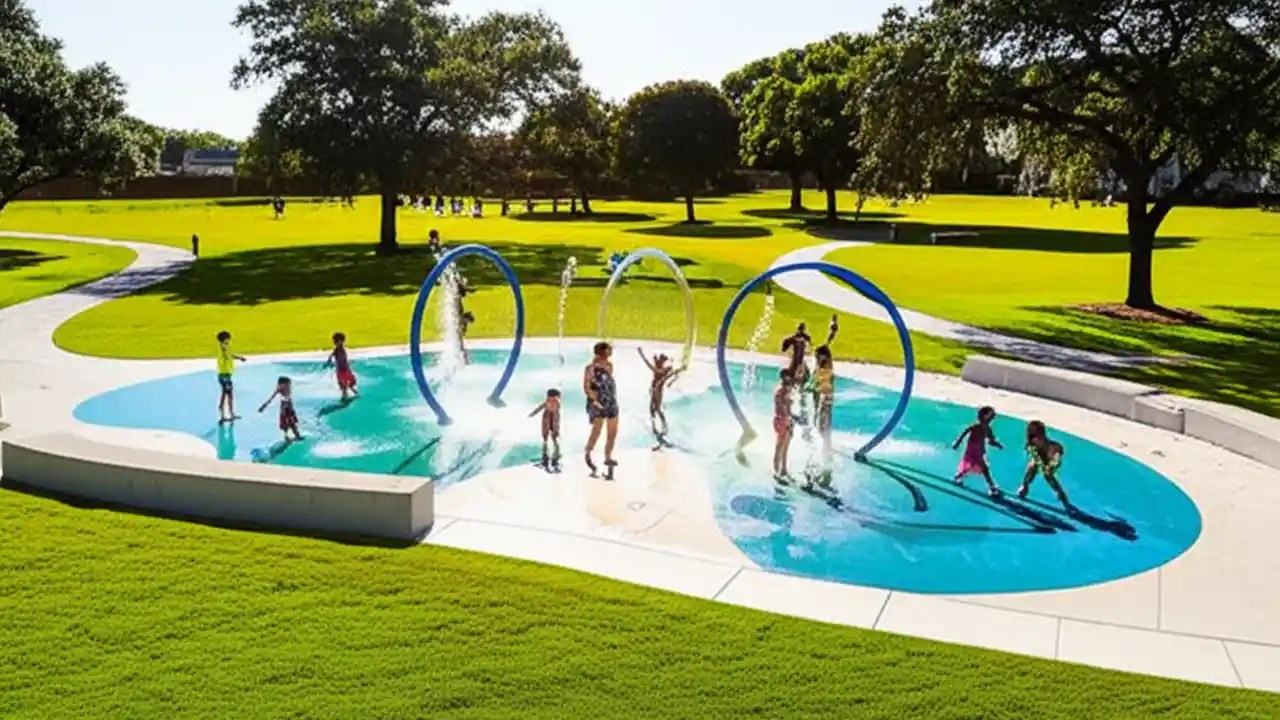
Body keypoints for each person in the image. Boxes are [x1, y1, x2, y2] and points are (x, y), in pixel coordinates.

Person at [583, 341, 619, 476]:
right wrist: (595, 400)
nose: (611, 352)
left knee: (612, 431)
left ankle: (608, 457)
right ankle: (588, 452)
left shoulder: (610, 366)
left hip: (611, 400)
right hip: (597, 402)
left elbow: (608, 383)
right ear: (603, 352)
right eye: (609, 350)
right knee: (597, 430)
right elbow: (587, 387)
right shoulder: (590, 369)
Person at [952, 406, 1003, 497]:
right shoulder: (976, 426)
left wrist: (997, 444)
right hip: (972, 449)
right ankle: (992, 486)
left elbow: (990, 440)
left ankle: (958, 476)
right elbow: (965, 432)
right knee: (983, 468)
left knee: (972, 466)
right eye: (990, 417)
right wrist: (958, 442)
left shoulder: (987, 428)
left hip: (979, 450)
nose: (991, 419)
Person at [1018, 421, 1069, 506]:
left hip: (1052, 459)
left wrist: (1051, 464)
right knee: (1031, 468)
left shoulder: (1051, 447)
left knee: (1048, 475)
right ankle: (1025, 486)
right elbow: (1032, 451)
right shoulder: (1032, 443)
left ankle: (1060, 493)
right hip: (1039, 457)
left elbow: (1057, 457)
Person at [638, 347, 682, 447]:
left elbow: (651, 366)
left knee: (657, 408)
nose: (655, 362)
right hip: (654, 388)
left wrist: (641, 354)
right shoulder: (660, 369)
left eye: (657, 360)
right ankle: (655, 426)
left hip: (657, 390)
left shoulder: (661, 370)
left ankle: (664, 425)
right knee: (652, 408)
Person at [259, 376, 303, 442]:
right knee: (287, 423)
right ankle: (287, 437)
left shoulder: (288, 387)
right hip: (285, 408)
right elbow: (271, 398)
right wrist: (263, 406)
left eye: (289, 384)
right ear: (282, 384)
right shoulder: (279, 388)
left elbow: (288, 397)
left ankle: (296, 435)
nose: (289, 385)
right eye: (287, 384)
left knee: (292, 423)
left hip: (290, 407)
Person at [216, 331, 247, 423]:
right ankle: (226, 415)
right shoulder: (223, 348)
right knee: (227, 395)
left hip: (227, 375)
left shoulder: (225, 348)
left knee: (227, 395)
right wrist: (226, 350)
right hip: (224, 376)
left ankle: (228, 414)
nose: (229, 340)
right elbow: (226, 355)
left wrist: (239, 358)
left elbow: (230, 355)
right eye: (227, 339)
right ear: (223, 340)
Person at [772, 369, 796, 481]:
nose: (788, 383)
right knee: (779, 447)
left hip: (787, 420)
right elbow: (782, 409)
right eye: (786, 381)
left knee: (786, 447)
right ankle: (776, 472)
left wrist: (792, 419)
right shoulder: (780, 392)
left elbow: (789, 409)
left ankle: (784, 470)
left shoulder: (787, 391)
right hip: (781, 420)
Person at [529, 389, 562, 469]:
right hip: (550, 419)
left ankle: (550, 456)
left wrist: (532, 414)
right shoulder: (555, 402)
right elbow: (540, 408)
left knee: (549, 438)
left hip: (550, 419)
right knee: (550, 437)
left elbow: (540, 407)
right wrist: (532, 414)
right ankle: (552, 455)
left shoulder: (553, 402)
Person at [326, 332, 359, 401]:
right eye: (335, 341)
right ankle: (345, 397)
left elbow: (342, 359)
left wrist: (348, 363)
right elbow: (332, 355)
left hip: (346, 370)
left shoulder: (341, 349)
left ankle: (350, 392)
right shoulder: (337, 349)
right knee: (344, 386)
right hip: (341, 371)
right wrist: (329, 361)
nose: (335, 343)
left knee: (352, 382)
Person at [453, 272, 474, 364]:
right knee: (459, 344)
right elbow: (456, 317)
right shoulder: (455, 300)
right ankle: (463, 362)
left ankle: (463, 361)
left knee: (459, 344)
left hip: (458, 325)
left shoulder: (456, 299)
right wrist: (467, 318)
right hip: (457, 325)